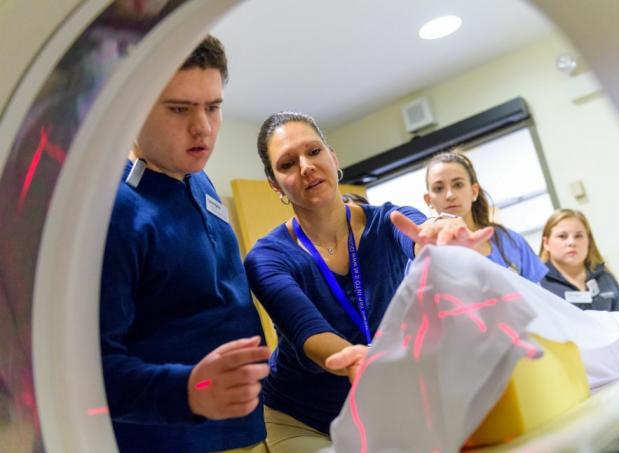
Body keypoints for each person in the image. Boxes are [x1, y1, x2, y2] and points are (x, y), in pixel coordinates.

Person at [244, 112, 492, 452]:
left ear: (333, 156)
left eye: (314, 152)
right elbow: (308, 333)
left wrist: (438, 239)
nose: (306, 167)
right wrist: (364, 360)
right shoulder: (267, 258)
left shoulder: (388, 220)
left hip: (385, 404)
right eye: (287, 164)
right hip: (303, 417)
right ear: (274, 184)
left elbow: (419, 237)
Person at [99, 36, 270, 453]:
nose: (204, 128)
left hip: (248, 429)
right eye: (180, 109)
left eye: (213, 107)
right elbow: (92, 369)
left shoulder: (200, 180)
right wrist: (188, 392)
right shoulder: (110, 210)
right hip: (173, 441)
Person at [423, 150, 547, 282]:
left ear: (474, 191)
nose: (450, 195)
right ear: (429, 200)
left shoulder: (511, 241)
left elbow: (539, 297)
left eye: (458, 185)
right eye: (439, 188)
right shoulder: (423, 253)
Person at [539, 209, 619, 311]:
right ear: (546, 243)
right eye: (562, 236)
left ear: (588, 240)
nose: (571, 242)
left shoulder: (605, 277)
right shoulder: (538, 284)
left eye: (578, 236)